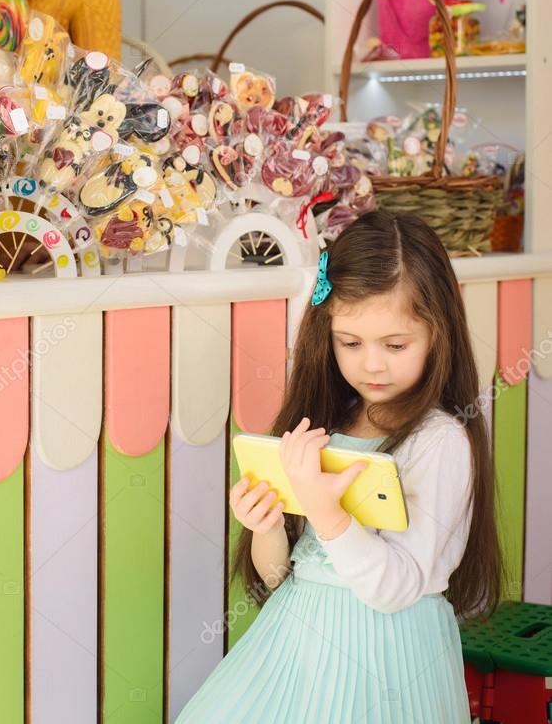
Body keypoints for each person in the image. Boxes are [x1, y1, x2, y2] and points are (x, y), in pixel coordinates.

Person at [176, 210, 502, 724]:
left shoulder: (439, 441)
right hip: (296, 648)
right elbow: (282, 574)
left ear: (439, 334)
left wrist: (327, 511)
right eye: (350, 343)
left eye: (395, 345)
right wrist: (265, 528)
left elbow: (395, 588)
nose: (371, 364)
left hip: (388, 661)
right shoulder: (328, 418)